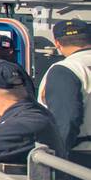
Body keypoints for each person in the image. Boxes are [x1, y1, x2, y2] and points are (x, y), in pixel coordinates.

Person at [38, 18, 91, 164]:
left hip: (80, 157)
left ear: (57, 43)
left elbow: (66, 118)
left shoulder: (66, 70)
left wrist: (57, 156)